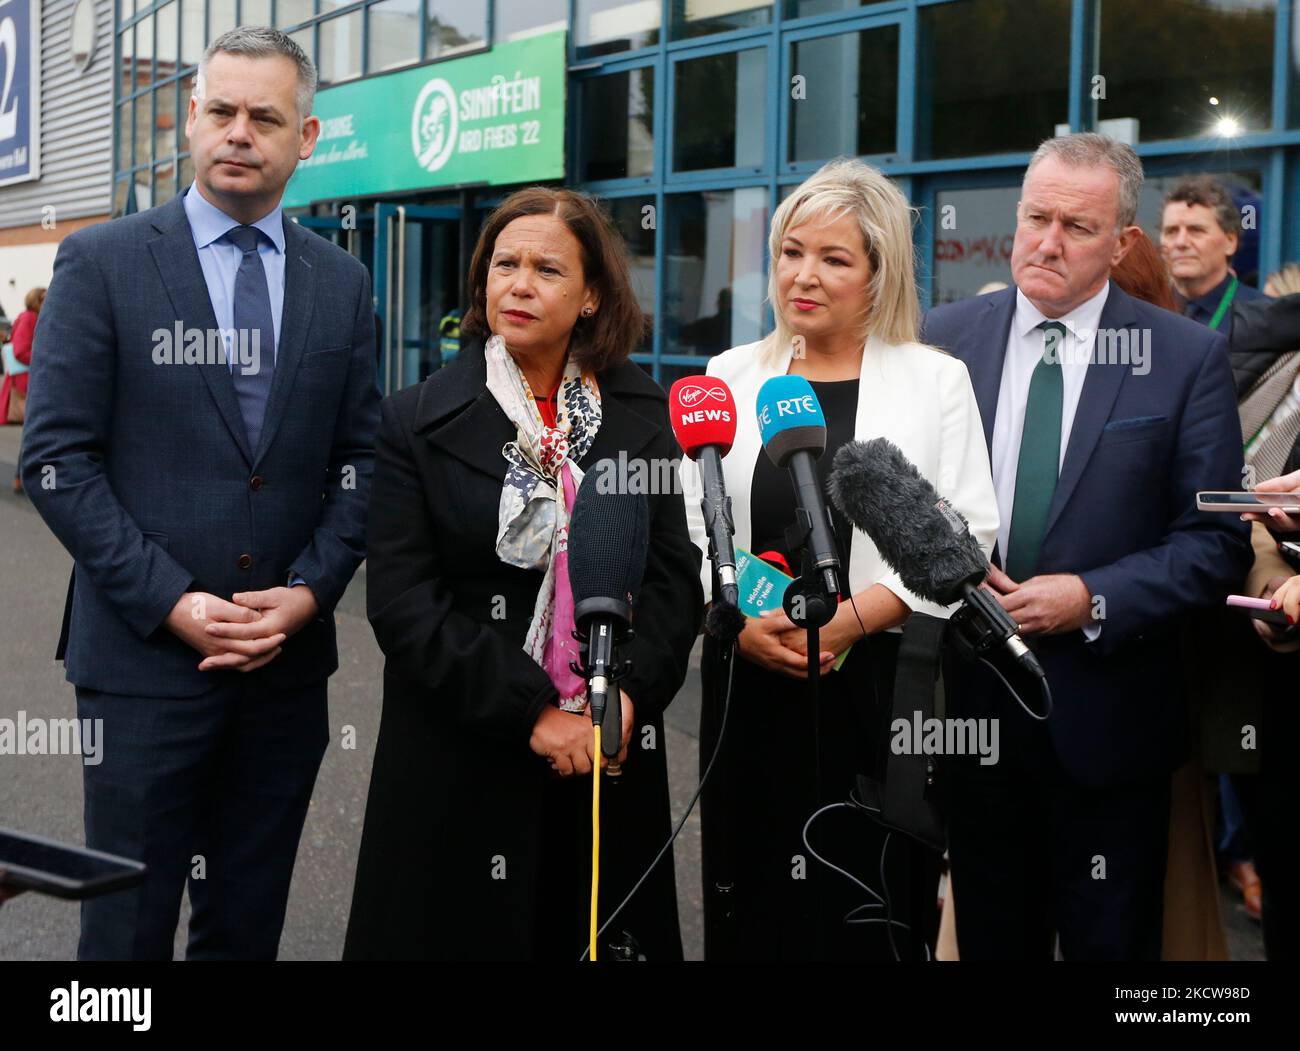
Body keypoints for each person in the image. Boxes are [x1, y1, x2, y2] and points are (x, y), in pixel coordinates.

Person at [20, 26, 380, 960]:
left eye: (265, 116)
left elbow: (361, 458)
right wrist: (171, 599)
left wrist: (308, 594)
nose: (238, 132)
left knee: (245, 927)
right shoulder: (102, 263)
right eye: (220, 110)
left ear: (307, 137)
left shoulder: (341, 285)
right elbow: (56, 457)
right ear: (190, 119)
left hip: (283, 674)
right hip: (143, 665)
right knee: (124, 933)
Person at [343, 187, 703, 961]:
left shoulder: (646, 415)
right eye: (504, 263)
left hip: (605, 751)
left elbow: (675, 581)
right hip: (462, 747)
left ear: (592, 295)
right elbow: (404, 601)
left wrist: (627, 696)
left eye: (546, 268)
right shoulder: (416, 418)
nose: (519, 282)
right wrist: (535, 713)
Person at [921, 133, 1252, 960]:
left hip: (1109, 731)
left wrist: (1093, 597)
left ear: (1123, 243)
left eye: (1076, 225)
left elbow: (1215, 542)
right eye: (1036, 217)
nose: (1047, 241)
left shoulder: (1184, 357)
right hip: (973, 719)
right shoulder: (946, 337)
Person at [683, 157, 999, 961]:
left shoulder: (937, 380)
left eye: (834, 258)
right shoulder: (730, 373)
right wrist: (734, 620)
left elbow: (967, 528)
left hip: (878, 686)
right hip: (751, 676)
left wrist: (857, 617)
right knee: (751, 902)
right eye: (791, 252)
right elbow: (692, 524)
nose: (804, 275)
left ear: (877, 273)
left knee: (866, 911)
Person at [1159, 175, 1265, 340]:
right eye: (1171, 231)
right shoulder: (1145, 310)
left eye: (1196, 230)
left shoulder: (1264, 316)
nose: (1181, 242)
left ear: (1230, 241)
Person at [2, 288, 42, 495]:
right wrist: (45, 358)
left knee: (32, 431)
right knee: (33, 431)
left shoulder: (28, 317)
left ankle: (23, 477)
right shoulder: (28, 318)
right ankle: (23, 478)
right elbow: (20, 350)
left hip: (26, 382)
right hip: (25, 384)